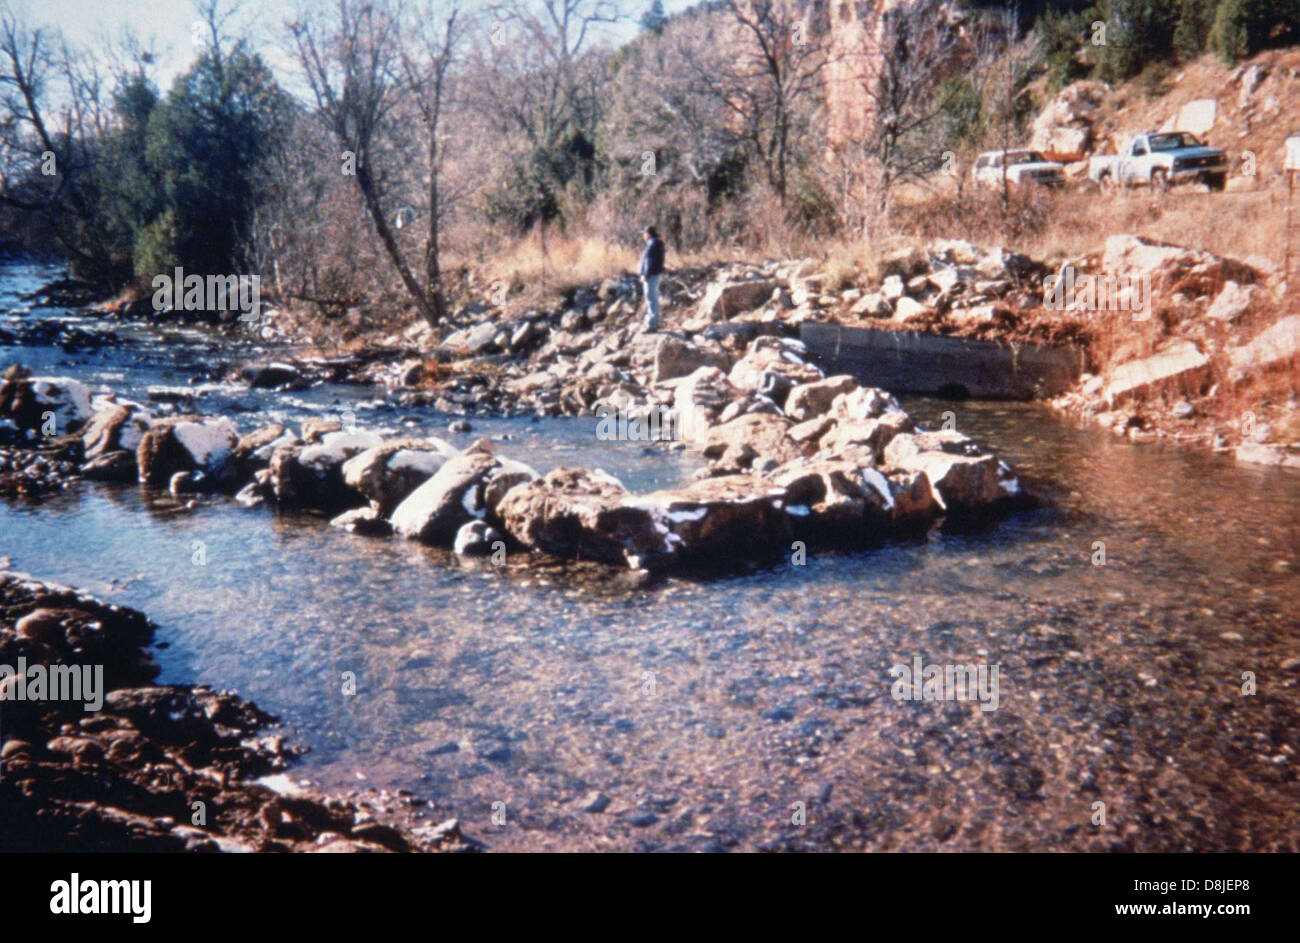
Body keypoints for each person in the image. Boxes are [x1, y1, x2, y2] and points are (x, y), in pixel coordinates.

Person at [639, 226, 665, 331]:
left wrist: (645, 274)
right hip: (656, 274)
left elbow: (649, 261)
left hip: (651, 275)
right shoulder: (658, 243)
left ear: (648, 234)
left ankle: (652, 324)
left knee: (651, 298)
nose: (643, 236)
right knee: (653, 298)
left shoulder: (652, 244)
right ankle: (653, 322)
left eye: (644, 233)